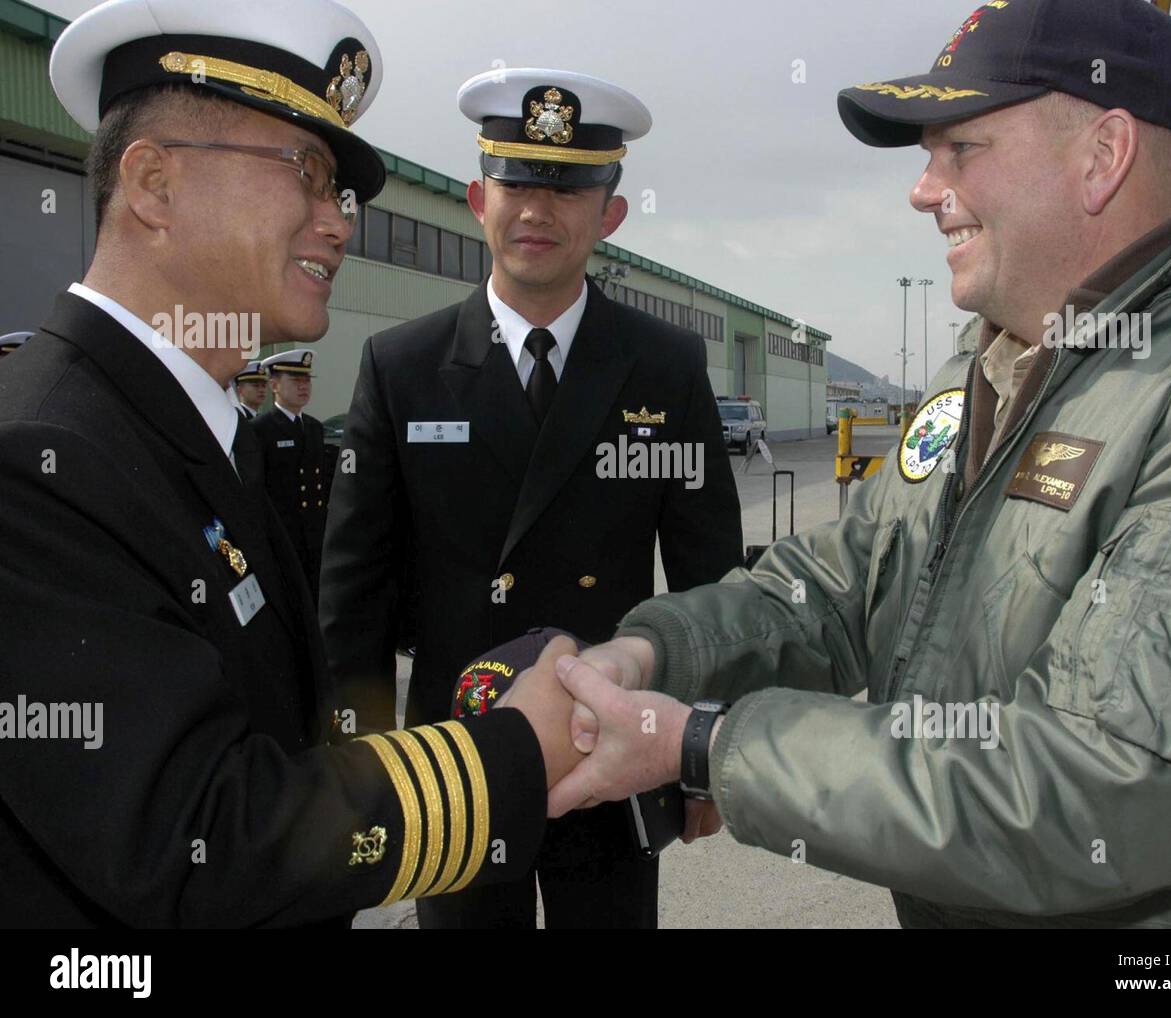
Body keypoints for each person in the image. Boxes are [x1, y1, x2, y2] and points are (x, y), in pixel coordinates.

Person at [544, 0, 1171, 929]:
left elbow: (1101, 783)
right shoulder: (993, 357)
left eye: (962, 147)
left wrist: (703, 746)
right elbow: (851, 579)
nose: (922, 187)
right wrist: (657, 651)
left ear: (1103, 157)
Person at [0, 0, 581, 928]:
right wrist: (506, 754)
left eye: (339, 194)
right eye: (304, 174)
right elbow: (196, 835)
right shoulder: (37, 461)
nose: (338, 224)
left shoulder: (183, 429)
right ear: (153, 183)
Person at [320, 68, 743, 929]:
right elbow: (352, 592)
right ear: (478, 199)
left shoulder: (664, 366)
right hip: (457, 756)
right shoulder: (401, 367)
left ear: (611, 215)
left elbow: (712, 577)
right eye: (515, 182)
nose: (536, 211)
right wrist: (354, 754)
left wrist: (703, 754)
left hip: (611, 738)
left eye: (567, 188)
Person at [253, 348, 329, 601]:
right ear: (274, 384)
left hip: (314, 531)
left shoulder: (314, 427)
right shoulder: (260, 429)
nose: (303, 387)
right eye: (295, 380)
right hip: (283, 534)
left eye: (306, 380)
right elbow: (256, 486)